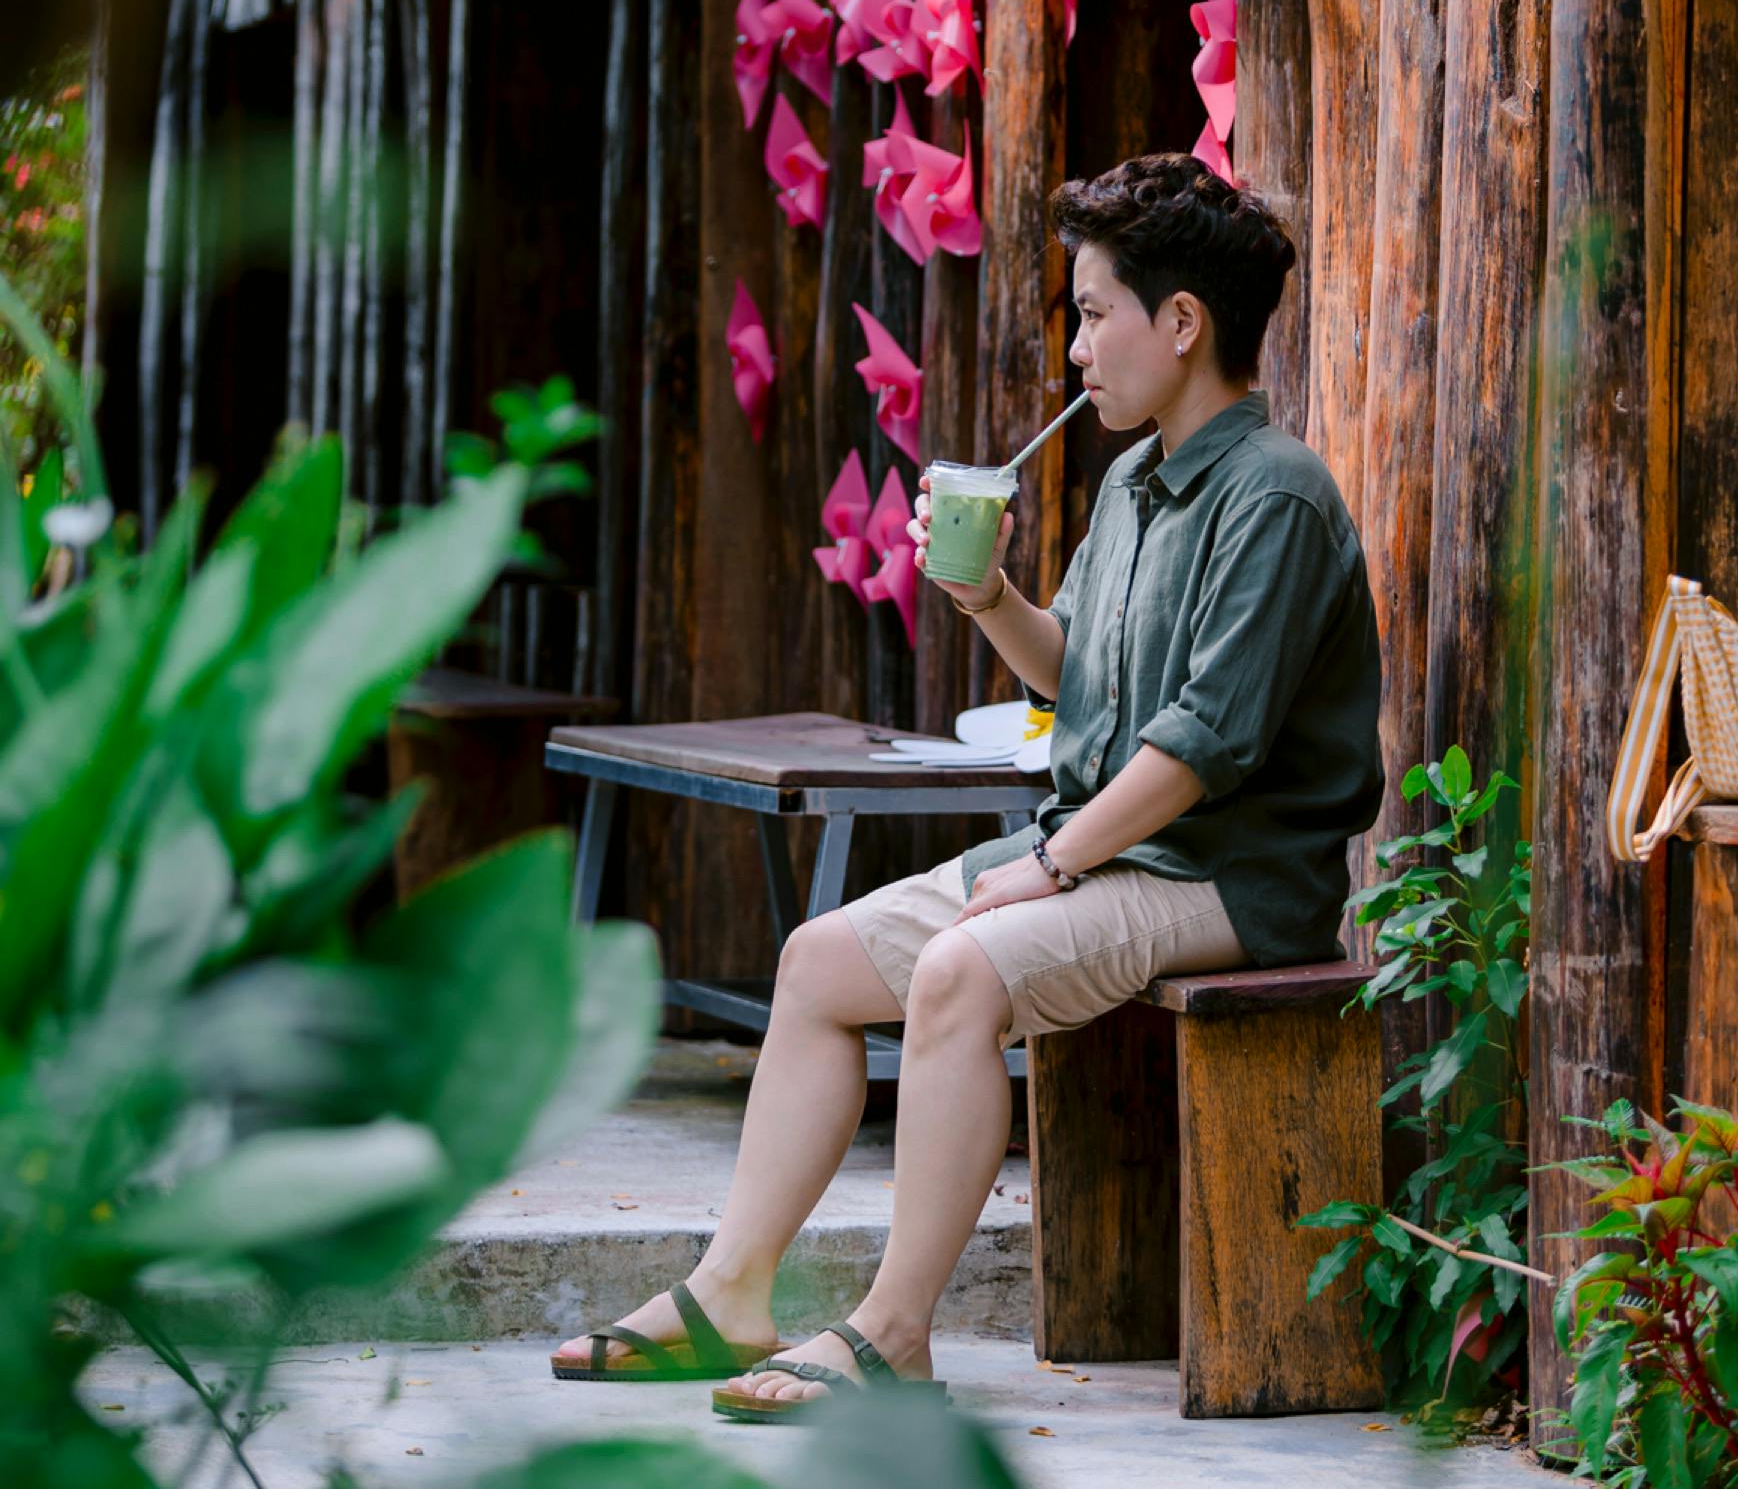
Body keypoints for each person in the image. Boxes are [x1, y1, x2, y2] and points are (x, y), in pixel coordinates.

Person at [550, 152, 1382, 1414]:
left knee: (958, 972)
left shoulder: (1275, 496)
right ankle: (731, 1289)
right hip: (1108, 850)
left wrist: (1047, 864)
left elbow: (1201, 745)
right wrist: (986, 594)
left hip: (1227, 875)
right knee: (816, 965)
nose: (1077, 351)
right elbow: (1080, 675)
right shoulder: (1133, 481)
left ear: (1181, 321)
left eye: (1093, 315)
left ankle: (894, 1331)